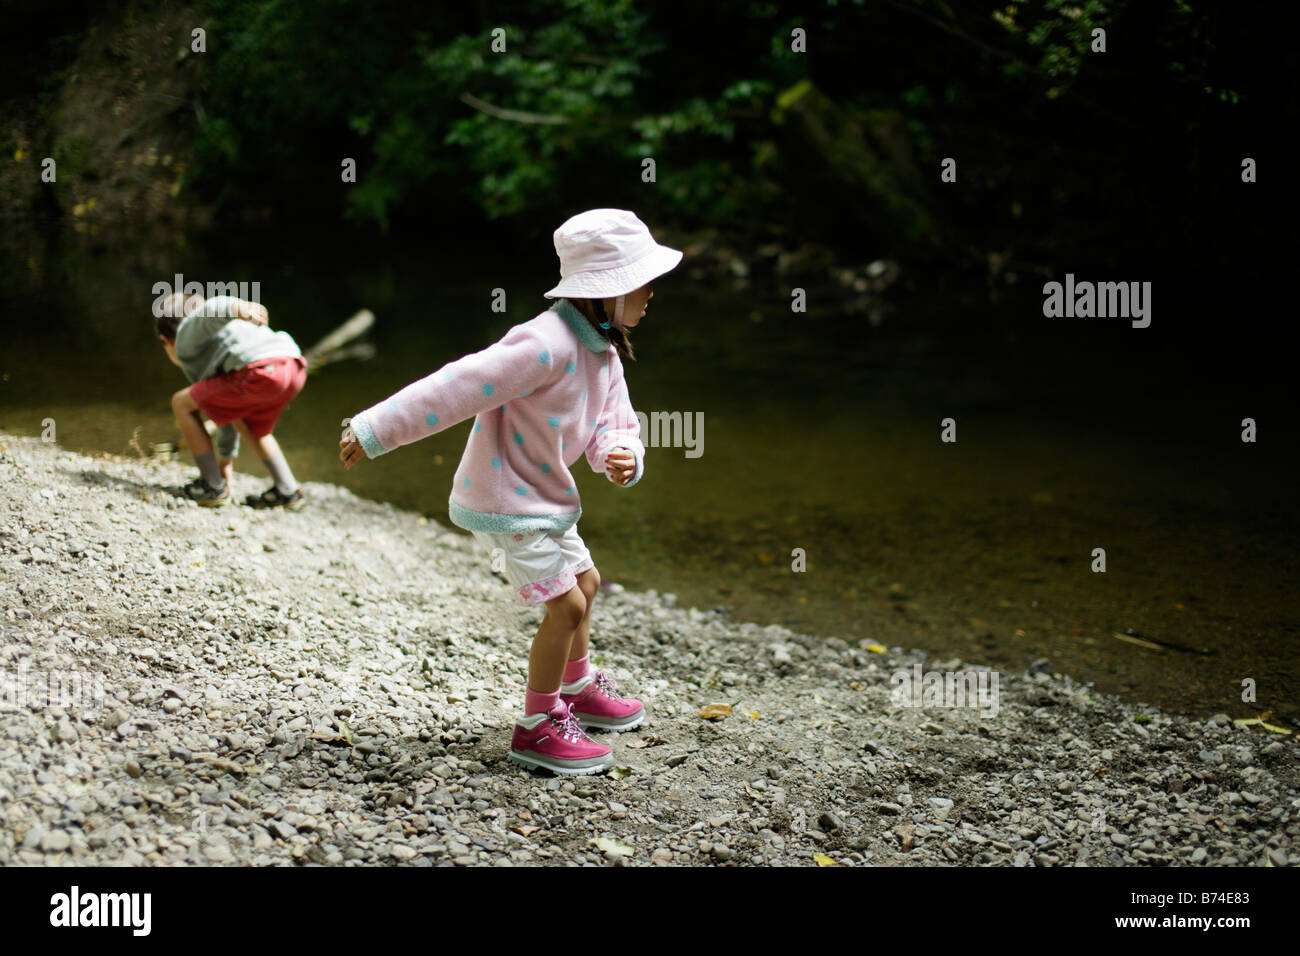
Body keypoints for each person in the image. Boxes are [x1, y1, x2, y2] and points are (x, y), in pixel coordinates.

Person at [339, 209, 681, 775]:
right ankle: (537, 726)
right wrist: (376, 430)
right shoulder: (543, 344)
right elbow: (457, 386)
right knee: (566, 605)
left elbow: (613, 424)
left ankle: (576, 686)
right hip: (506, 499)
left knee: (588, 583)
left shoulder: (603, 349)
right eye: (643, 282)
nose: (651, 293)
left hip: (545, 496)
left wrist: (622, 455)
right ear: (609, 288)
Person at [155, 292, 308, 509]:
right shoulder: (221, 342)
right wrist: (225, 460)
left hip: (259, 369)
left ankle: (211, 486)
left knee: (181, 403)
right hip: (292, 367)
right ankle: (289, 491)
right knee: (253, 427)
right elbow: (224, 413)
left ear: (165, 340)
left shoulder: (185, 338)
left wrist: (237, 308)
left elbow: (209, 310)